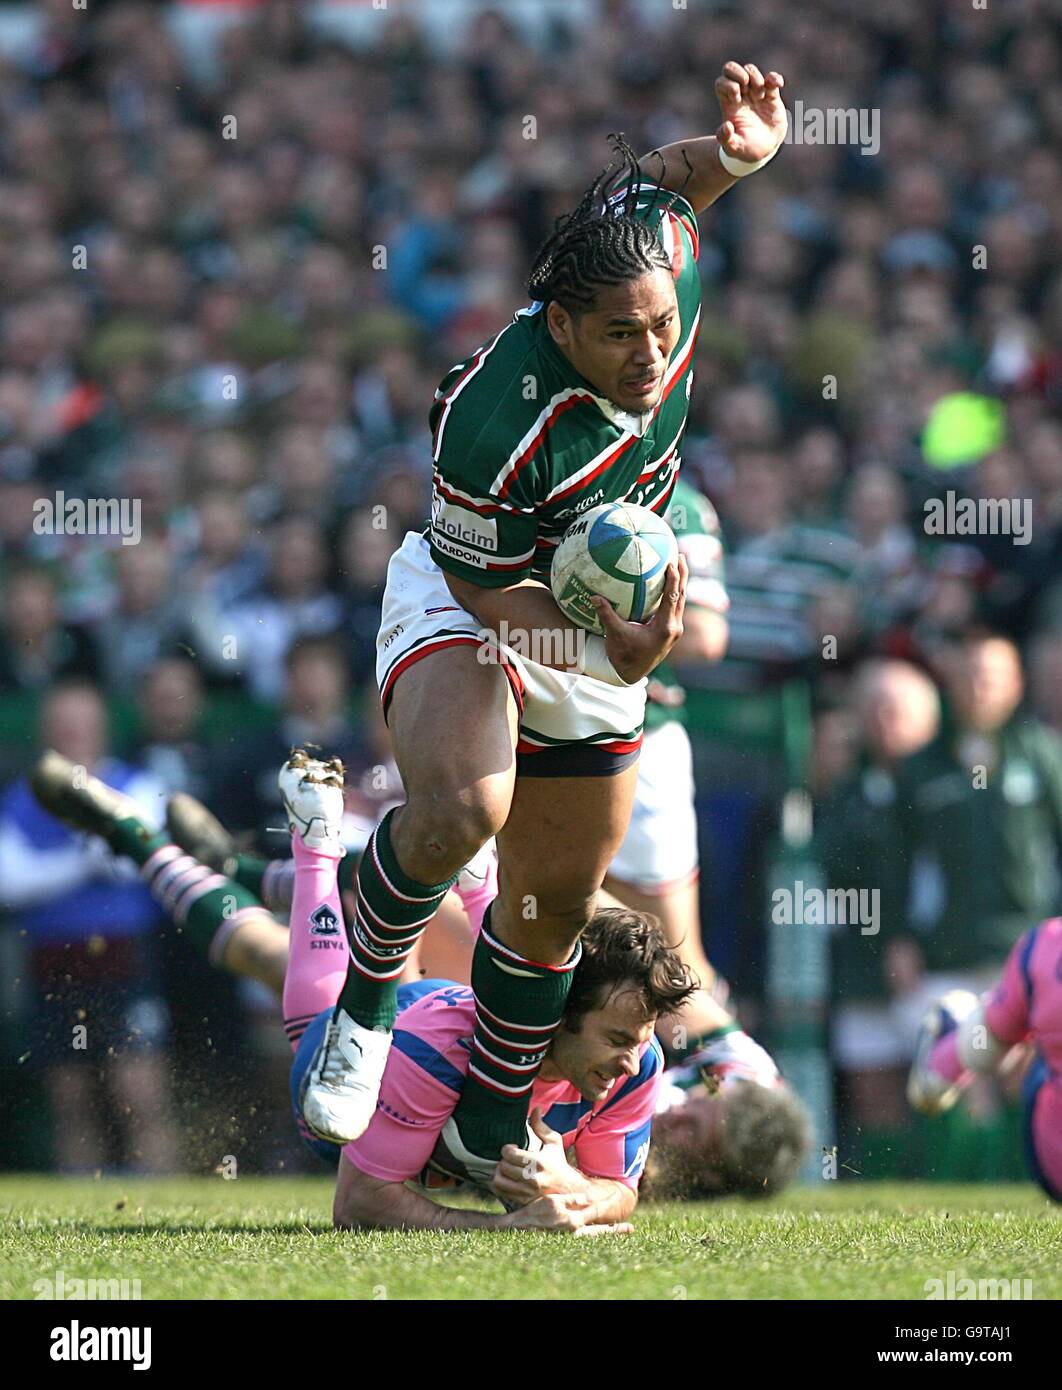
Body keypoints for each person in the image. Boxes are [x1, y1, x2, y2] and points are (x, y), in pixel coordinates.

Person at [303, 65, 789, 1187]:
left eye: (662, 328)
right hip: (478, 593)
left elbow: (665, 182)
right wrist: (602, 649)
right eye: (621, 335)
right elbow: (490, 594)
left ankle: (488, 1126)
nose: (652, 355)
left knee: (555, 902)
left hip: (598, 615)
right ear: (561, 323)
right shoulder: (490, 420)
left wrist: (739, 155)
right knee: (464, 811)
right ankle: (363, 1011)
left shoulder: (662, 266)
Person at [0, 684, 176, 1173]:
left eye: (81, 723)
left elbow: (135, 861)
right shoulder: (21, 799)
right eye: (63, 724)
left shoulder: (136, 785)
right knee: (70, 1098)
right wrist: (90, 851)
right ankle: (78, 1210)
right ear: (46, 733)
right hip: (54, 961)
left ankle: (160, 1202)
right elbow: (10, 882)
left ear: (101, 728)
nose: (72, 733)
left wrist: (59, 863)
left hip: (122, 956)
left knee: (140, 1093)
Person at [907, 917, 1062, 1202]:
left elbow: (993, 1037)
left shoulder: (1045, 944)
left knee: (1024, 1042)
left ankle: (943, 1056)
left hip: (1054, 1161)